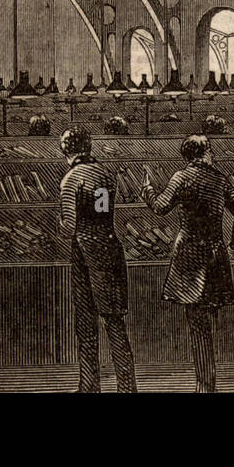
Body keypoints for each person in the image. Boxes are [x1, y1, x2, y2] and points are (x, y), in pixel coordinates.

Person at [140, 134, 234, 393]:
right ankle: (206, 384)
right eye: (211, 150)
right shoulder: (219, 179)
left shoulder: (181, 177)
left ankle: (205, 387)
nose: (213, 155)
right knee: (207, 325)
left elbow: (159, 206)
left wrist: (147, 190)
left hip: (189, 256)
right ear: (205, 152)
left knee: (198, 326)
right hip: (215, 256)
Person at [57, 128, 136, 392]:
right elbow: (102, 212)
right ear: (89, 147)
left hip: (84, 253)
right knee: (115, 323)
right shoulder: (105, 174)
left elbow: (69, 226)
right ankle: (127, 387)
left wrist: (61, 224)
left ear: (66, 149)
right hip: (110, 249)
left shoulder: (70, 180)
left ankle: (89, 386)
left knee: (86, 325)